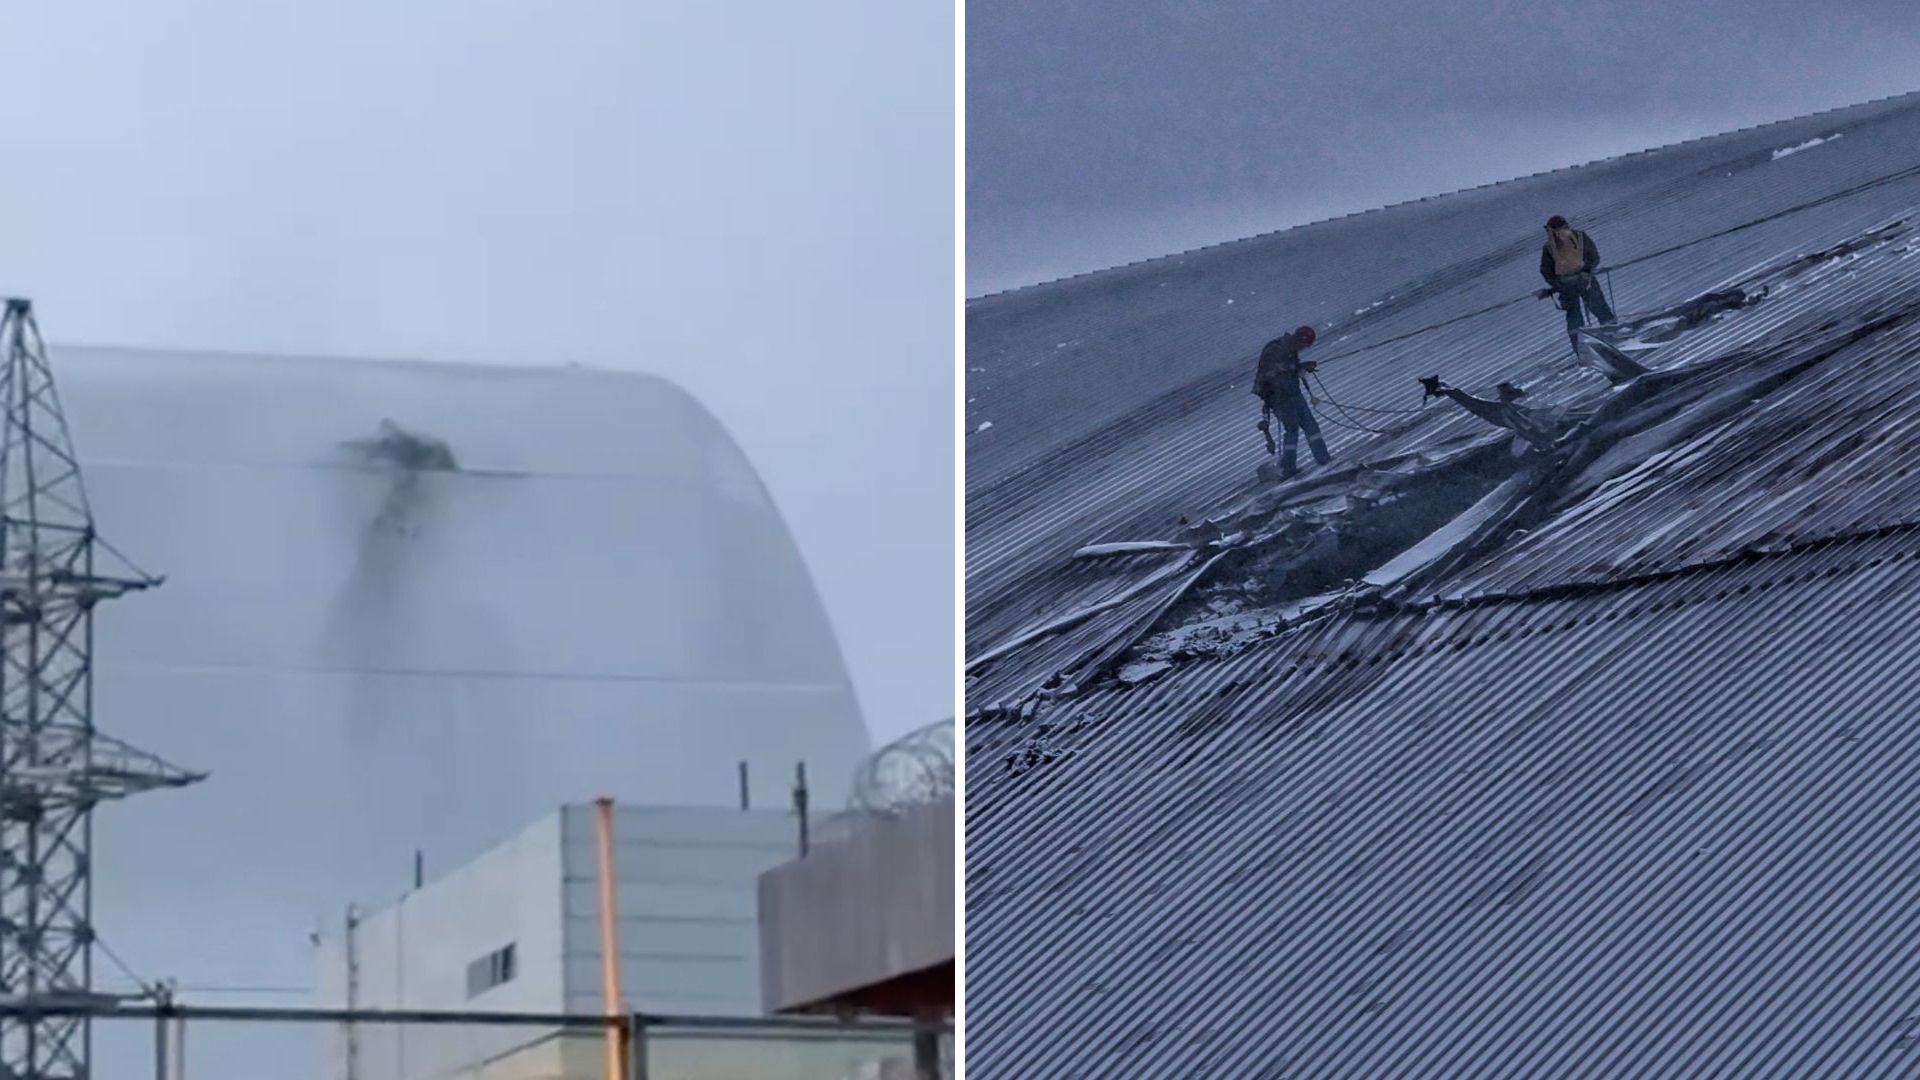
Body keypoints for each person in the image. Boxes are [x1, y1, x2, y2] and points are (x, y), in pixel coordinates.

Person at [1252, 325, 1330, 478]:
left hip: (1293, 393)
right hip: (1279, 397)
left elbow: (1287, 369)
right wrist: (1298, 367)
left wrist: (1300, 367)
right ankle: (1287, 468)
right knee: (1292, 429)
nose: (1303, 349)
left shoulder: (1289, 349)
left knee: (1310, 425)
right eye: (1304, 345)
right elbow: (1273, 373)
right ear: (1300, 339)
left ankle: (1323, 459)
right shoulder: (1275, 349)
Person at [1536, 215, 1616, 345]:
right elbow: (1594, 257)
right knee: (1599, 311)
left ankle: (1584, 348)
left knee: (1577, 319)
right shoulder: (1579, 237)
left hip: (1569, 286)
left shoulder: (1550, 247)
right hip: (1583, 282)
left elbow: (1546, 271)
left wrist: (1558, 284)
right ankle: (1613, 338)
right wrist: (1586, 273)